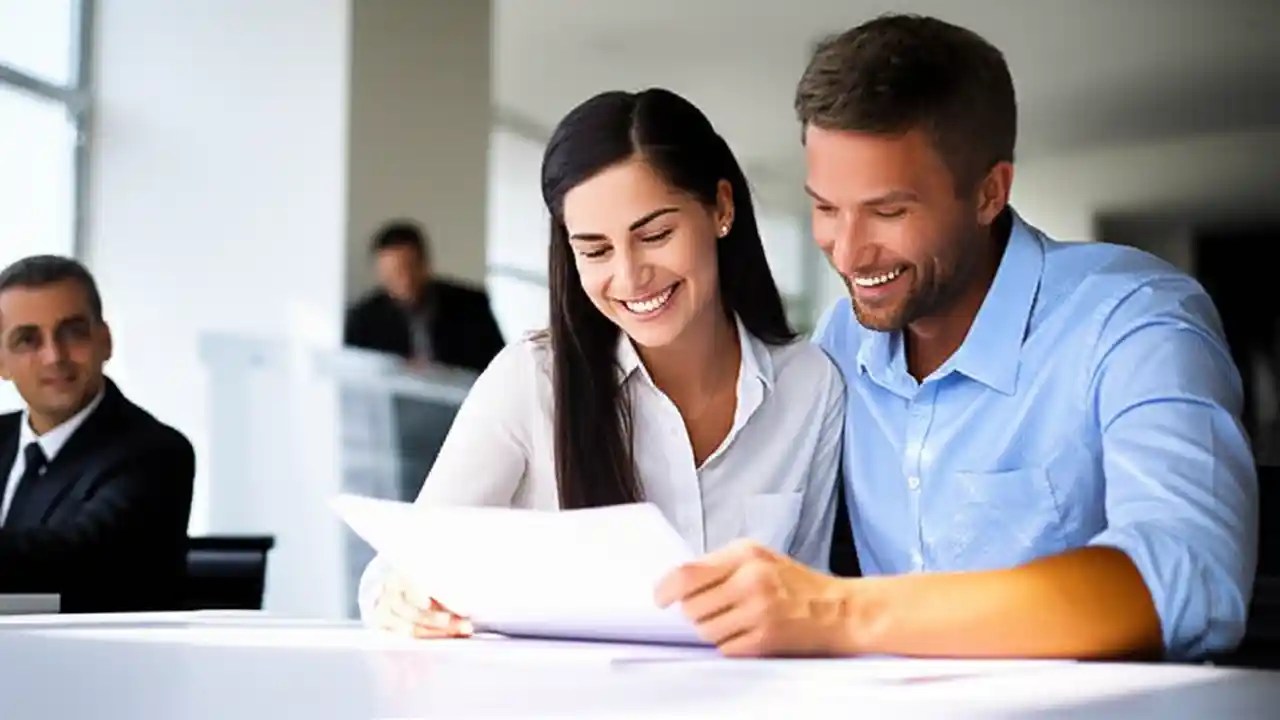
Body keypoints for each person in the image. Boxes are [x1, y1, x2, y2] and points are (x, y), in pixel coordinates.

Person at [656, 14, 1257, 661]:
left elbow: (1191, 578)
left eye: (889, 211)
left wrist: (837, 610)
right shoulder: (840, 345)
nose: (850, 251)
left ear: (989, 192)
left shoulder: (1133, 320)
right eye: (826, 208)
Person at [362, 88, 845, 637]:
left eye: (656, 235)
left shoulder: (809, 386)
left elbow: (811, 595)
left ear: (722, 208)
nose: (631, 276)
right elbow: (398, 571)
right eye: (595, 251)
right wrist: (402, 597)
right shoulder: (532, 380)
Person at [0, 255, 195, 612]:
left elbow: (80, 558)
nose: (53, 356)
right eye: (28, 340)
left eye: (72, 332)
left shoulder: (156, 453)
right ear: (1, 362)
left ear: (105, 341)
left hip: (94, 665)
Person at [344, 221, 505, 373]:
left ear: (425, 264)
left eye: (408, 269)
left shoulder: (472, 306)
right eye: (391, 275)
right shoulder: (364, 319)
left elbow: (496, 364)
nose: (403, 281)